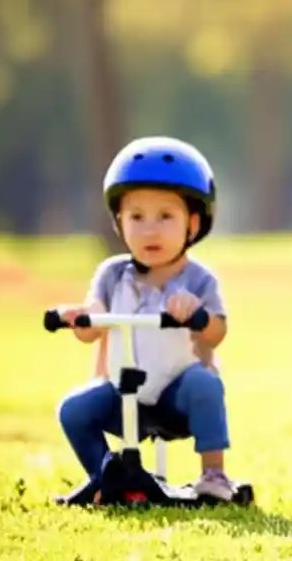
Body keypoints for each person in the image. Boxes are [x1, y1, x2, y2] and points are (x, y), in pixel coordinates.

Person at [55, 136, 235, 500]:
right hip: (123, 394)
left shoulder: (199, 279)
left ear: (193, 223)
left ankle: (214, 475)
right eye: (137, 217)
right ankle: (105, 475)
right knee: (74, 410)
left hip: (175, 397)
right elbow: (94, 321)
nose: (150, 229)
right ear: (119, 222)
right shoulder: (111, 274)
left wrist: (196, 315)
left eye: (165, 216)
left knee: (206, 385)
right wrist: (80, 318)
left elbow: (218, 331)